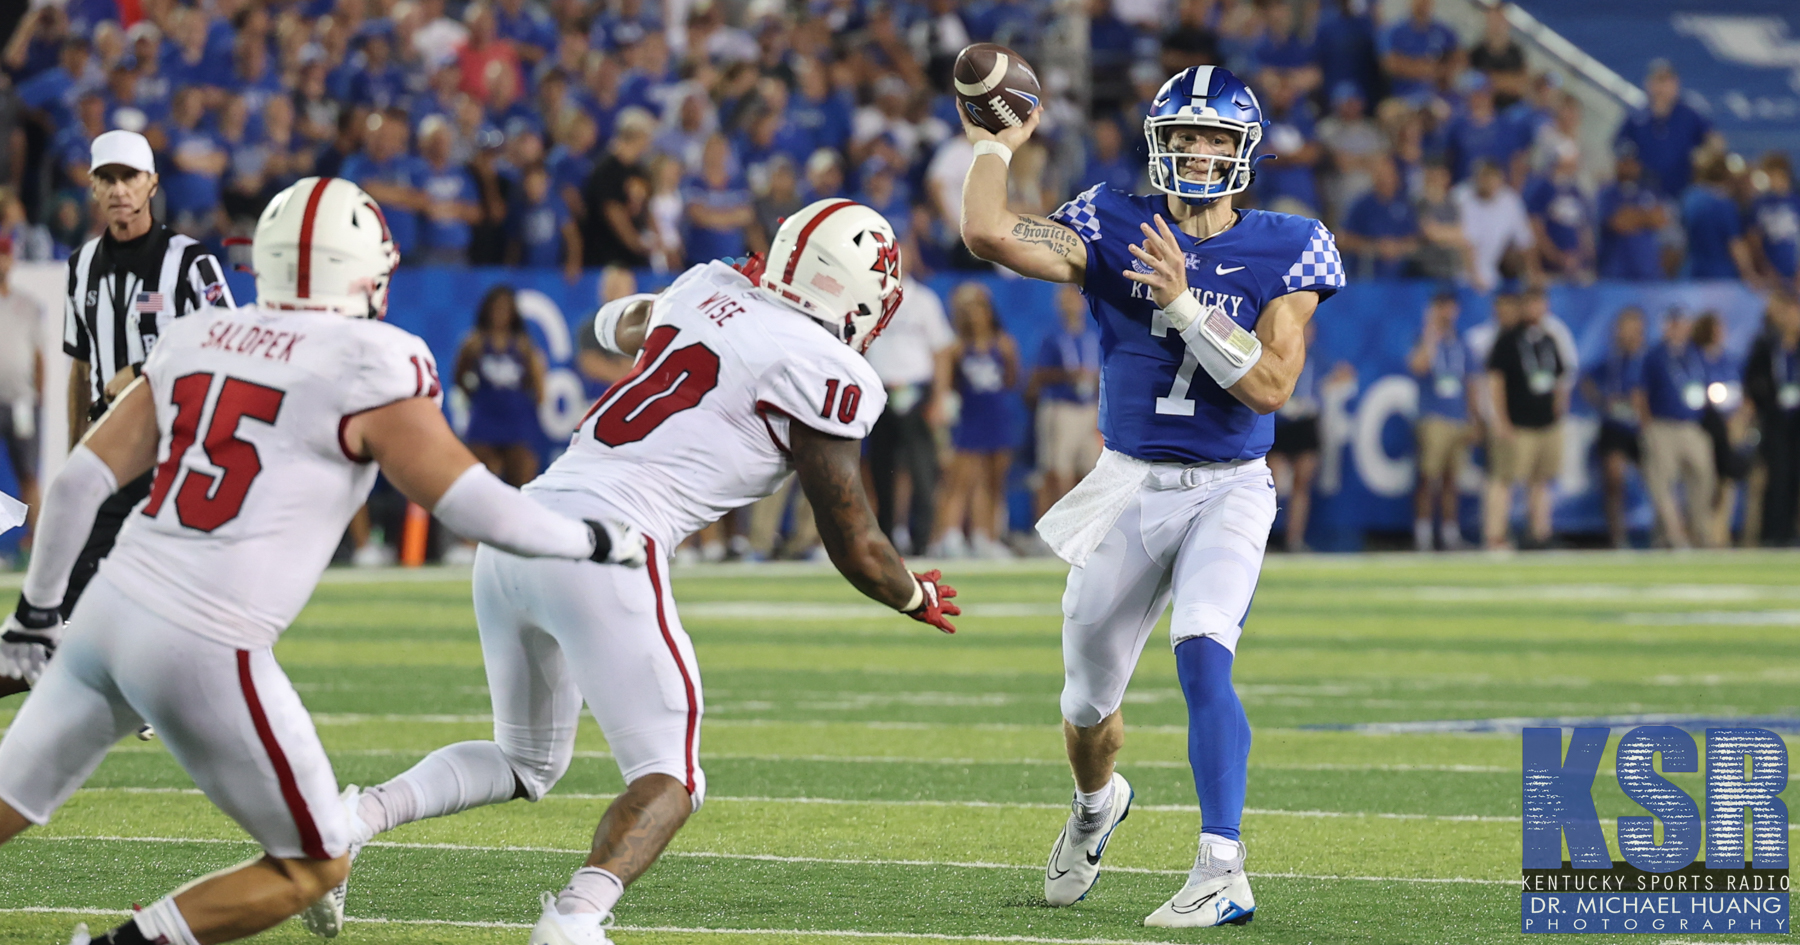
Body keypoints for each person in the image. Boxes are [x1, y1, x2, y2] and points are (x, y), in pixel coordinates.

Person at [0, 177, 641, 945]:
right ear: (362, 270)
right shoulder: (370, 358)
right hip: (205, 640)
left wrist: (35, 619)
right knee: (314, 864)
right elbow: (470, 503)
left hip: (105, 611)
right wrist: (596, 539)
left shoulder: (200, 334)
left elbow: (77, 482)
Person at [318, 200, 961, 945]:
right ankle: (574, 918)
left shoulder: (704, 287)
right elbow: (852, 537)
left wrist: (690, 310)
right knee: (672, 777)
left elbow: (613, 324)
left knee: (525, 759)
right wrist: (913, 593)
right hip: (607, 544)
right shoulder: (824, 366)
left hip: (519, 527)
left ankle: (349, 821)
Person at [959, 64, 1344, 926]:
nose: (1197, 151)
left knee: (1204, 646)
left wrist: (1180, 304)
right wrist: (994, 143)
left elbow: (1273, 385)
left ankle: (1221, 866)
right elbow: (987, 234)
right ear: (1156, 144)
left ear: (1244, 152)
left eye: (1214, 137)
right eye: (1182, 136)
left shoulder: (1292, 242)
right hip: (1127, 485)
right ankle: (1098, 804)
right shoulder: (1109, 218)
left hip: (1231, 486)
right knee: (1086, 702)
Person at [60, 131, 236, 622]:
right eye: (108, 179)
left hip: (179, 459)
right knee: (72, 611)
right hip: (112, 461)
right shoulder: (81, 267)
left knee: (189, 612)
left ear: (152, 183)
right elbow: (81, 366)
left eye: (130, 177)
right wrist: (76, 454)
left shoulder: (191, 263)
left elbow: (230, 350)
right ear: (92, 187)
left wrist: (140, 370)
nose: (119, 190)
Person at [862, 262, 954, 555]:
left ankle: (922, 540)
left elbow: (941, 349)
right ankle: (887, 537)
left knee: (922, 469)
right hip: (879, 391)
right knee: (881, 470)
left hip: (917, 392)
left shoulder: (924, 300)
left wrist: (940, 397)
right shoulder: (868, 298)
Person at [930, 283, 1020, 559]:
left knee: (995, 480)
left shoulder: (1003, 345)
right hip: (969, 420)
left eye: (979, 308)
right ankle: (949, 537)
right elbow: (945, 389)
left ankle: (987, 537)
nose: (974, 316)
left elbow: (1012, 379)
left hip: (996, 417)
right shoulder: (955, 349)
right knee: (959, 480)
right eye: (967, 310)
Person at [1484, 287, 1567, 549]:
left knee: (1541, 481)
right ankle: (1495, 535)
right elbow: (1495, 381)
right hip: (1517, 423)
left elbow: (1560, 379)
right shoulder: (1508, 339)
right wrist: (1501, 420)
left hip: (1545, 423)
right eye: (1530, 304)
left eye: (1540, 303)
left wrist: (1558, 411)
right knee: (1505, 478)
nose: (1535, 309)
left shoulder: (1549, 340)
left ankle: (1539, 533)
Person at [1636, 310, 1715, 548]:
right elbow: (1640, 393)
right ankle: (1673, 535)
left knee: (1703, 475)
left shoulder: (1694, 353)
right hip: (1663, 425)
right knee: (1662, 482)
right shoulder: (1655, 356)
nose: (1680, 329)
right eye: (1675, 324)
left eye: (1683, 324)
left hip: (1691, 425)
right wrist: (1647, 425)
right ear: (1667, 326)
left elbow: (1706, 386)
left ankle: (1699, 531)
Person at [455, 286, 547, 487]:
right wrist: (475, 398)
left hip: (516, 420)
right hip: (485, 419)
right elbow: (459, 377)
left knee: (522, 481)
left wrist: (527, 412)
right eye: (496, 308)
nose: (500, 314)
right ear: (486, 311)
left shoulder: (524, 345)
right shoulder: (474, 343)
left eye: (506, 309)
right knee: (482, 482)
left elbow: (539, 387)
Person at [1409, 292, 1474, 551]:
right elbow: (1419, 366)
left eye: (1451, 308)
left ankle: (1449, 534)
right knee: (1428, 477)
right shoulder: (1424, 339)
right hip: (1433, 417)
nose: (1447, 313)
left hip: (1457, 417)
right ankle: (1423, 535)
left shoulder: (1462, 342)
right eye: (1442, 308)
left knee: (1451, 480)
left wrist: (1474, 418)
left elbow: (1471, 383)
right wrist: (1430, 334)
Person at [1032, 284, 1102, 516]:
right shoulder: (1052, 335)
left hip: (1089, 408)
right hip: (1061, 407)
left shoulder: (1093, 335)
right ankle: (1050, 525)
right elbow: (1038, 375)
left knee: (1090, 469)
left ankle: (1080, 524)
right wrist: (1068, 375)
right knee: (1056, 469)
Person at [1580, 307, 1647, 548]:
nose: (1627, 334)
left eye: (1633, 328)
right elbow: (1586, 380)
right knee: (1614, 478)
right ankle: (1618, 537)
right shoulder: (1610, 361)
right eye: (1624, 328)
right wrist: (1601, 400)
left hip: (1643, 427)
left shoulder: (1648, 360)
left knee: (1659, 480)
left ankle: (1668, 532)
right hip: (1615, 427)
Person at [1743, 294, 1800, 545]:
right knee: (1778, 475)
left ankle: (1791, 532)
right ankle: (1774, 535)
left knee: (1796, 475)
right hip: (1776, 418)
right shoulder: (1766, 344)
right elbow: (1753, 380)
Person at [1266, 322, 1323, 553]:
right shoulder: (1278, 356)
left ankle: (1294, 539)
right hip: (1280, 421)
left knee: (1302, 482)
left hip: (1305, 423)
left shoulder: (1318, 358)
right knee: (1272, 484)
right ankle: (1263, 538)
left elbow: (1340, 375)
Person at [0, 237, 42, 548]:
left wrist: (37, 398)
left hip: (21, 403)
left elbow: (39, 357)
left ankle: (37, 543)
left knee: (29, 474)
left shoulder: (27, 306)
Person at [1749, 154, 1800, 293]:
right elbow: (1754, 240)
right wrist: (1764, 268)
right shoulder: (1759, 205)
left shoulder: (1795, 202)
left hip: (1793, 268)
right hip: (1770, 272)